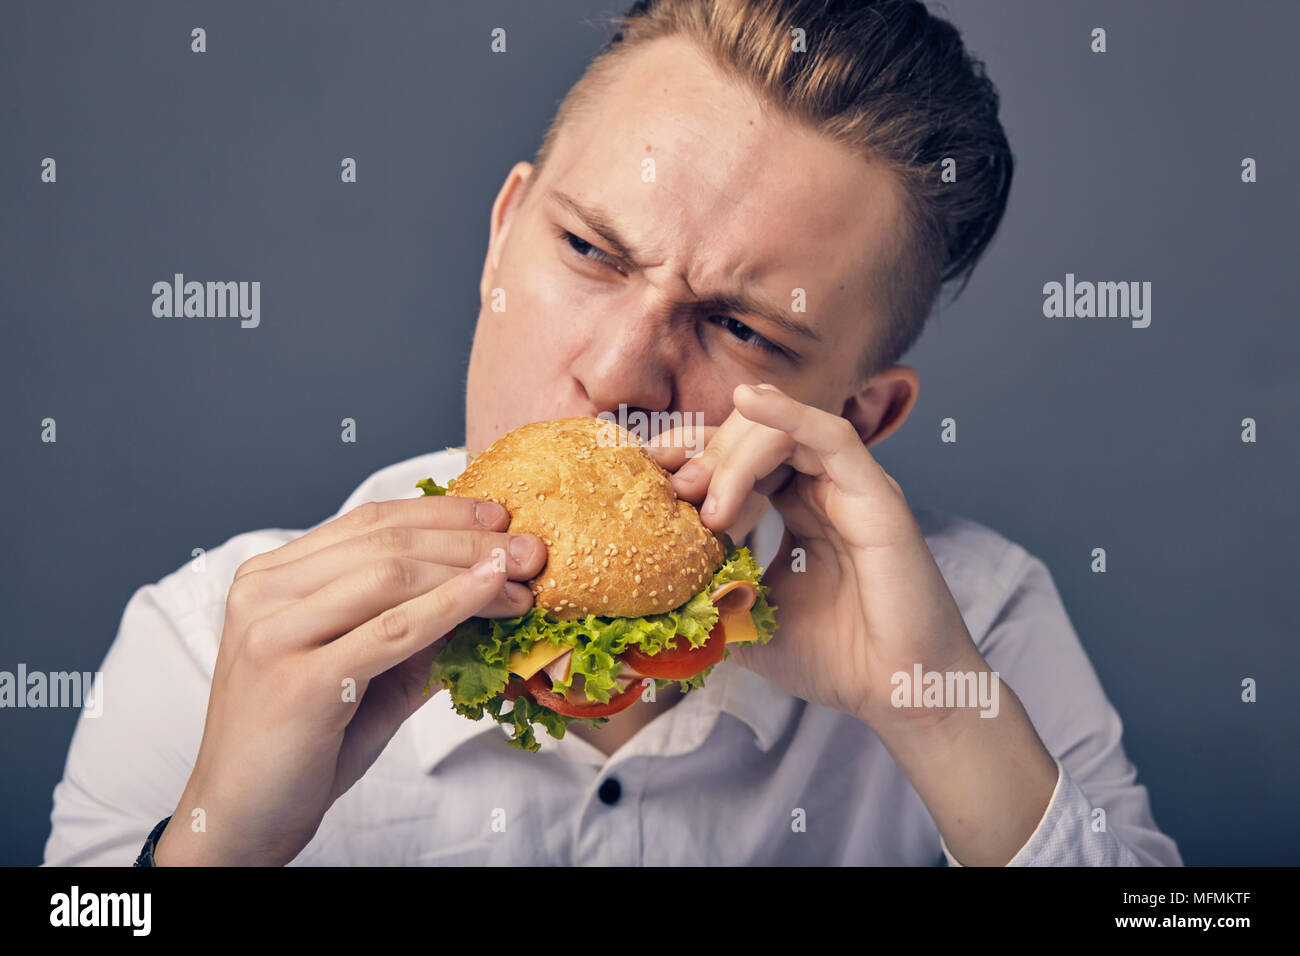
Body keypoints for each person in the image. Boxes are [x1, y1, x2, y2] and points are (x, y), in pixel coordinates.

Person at [44, 0, 1180, 866]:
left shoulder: (980, 623)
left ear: (856, 419)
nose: (616, 373)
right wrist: (207, 848)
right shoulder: (209, 641)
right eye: (588, 251)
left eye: (740, 326)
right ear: (501, 239)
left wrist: (940, 720)